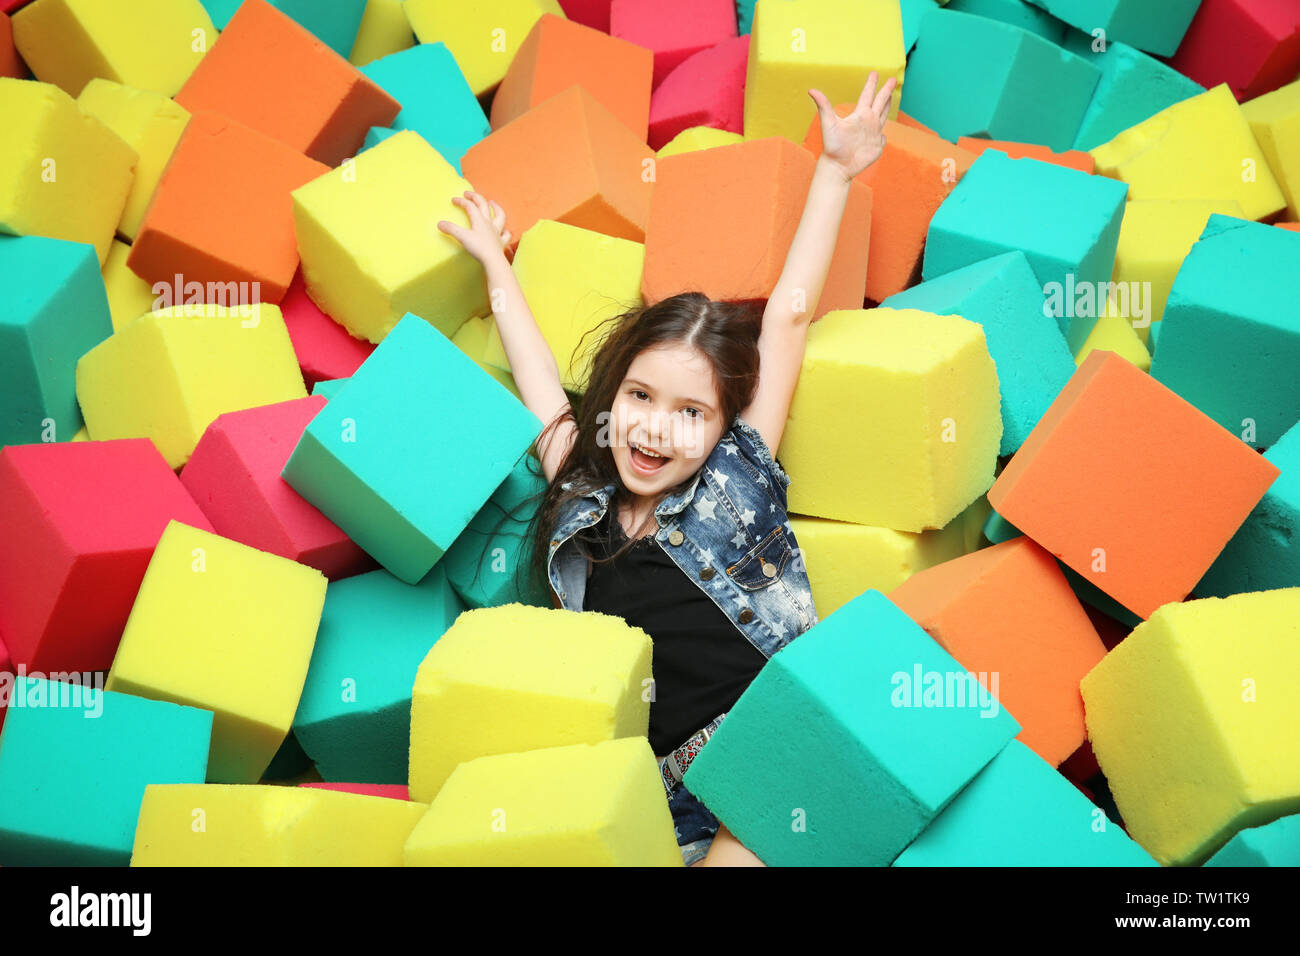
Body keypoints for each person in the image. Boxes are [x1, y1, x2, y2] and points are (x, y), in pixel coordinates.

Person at [438, 71, 896, 866]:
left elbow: (786, 318)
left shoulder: (736, 482)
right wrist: (494, 265)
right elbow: (540, 384)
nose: (656, 428)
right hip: (667, 792)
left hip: (777, 738)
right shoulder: (584, 501)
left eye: (691, 413)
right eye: (641, 396)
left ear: (722, 430)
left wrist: (834, 171)